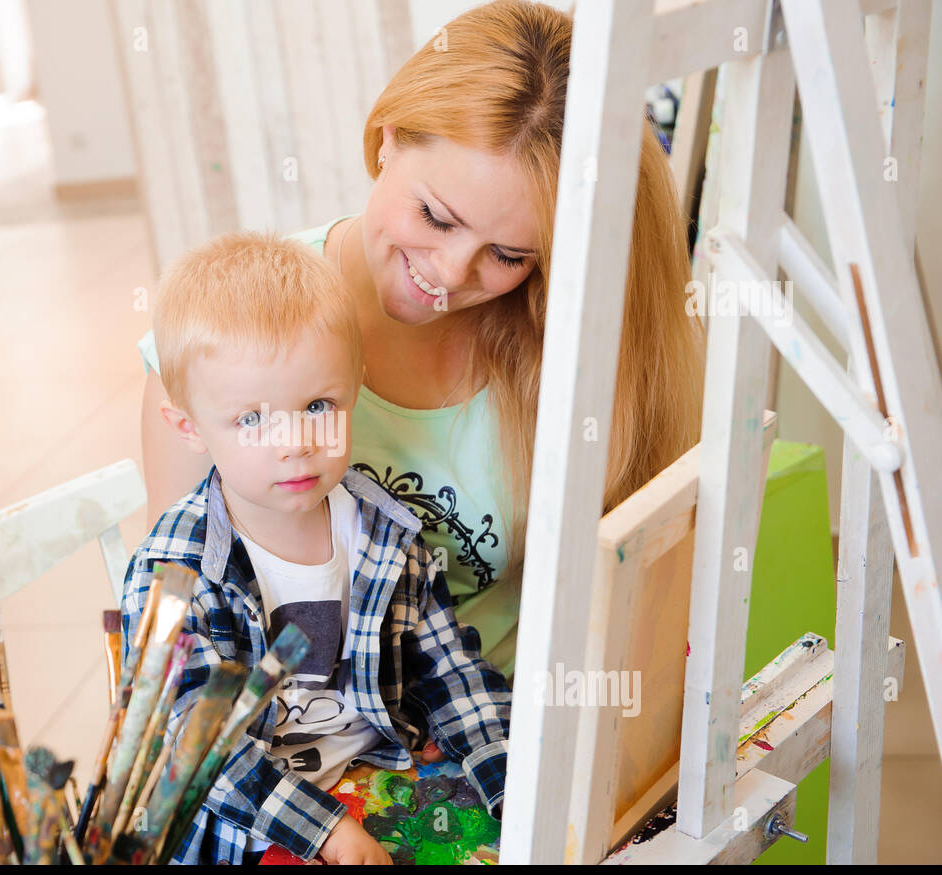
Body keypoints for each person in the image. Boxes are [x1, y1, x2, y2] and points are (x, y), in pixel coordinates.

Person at [136, 0, 706, 688]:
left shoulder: (559, 330)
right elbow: (180, 622)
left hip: (494, 710)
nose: (451, 272)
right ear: (388, 138)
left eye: (508, 253)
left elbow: (636, 597)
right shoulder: (221, 345)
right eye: (435, 216)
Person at [121, 232, 513, 864]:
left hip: (376, 778)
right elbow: (193, 747)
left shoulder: (385, 530)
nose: (296, 443)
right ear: (189, 427)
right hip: (241, 824)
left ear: (356, 386)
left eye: (318, 405)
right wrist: (324, 830)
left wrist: (509, 780)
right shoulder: (173, 570)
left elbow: (451, 670)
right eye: (252, 419)